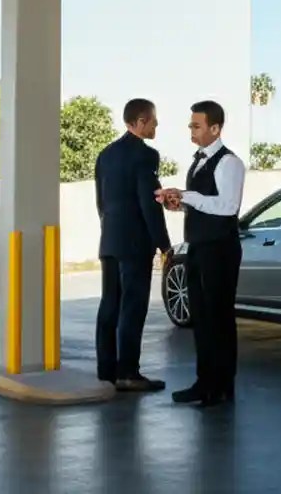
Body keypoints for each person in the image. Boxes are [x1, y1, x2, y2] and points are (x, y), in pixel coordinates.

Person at [156, 100, 246, 408]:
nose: (191, 130)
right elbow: (203, 204)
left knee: (219, 316)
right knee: (201, 317)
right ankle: (204, 382)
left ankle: (221, 386)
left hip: (220, 249)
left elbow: (228, 206)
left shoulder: (230, 163)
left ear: (215, 128)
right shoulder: (197, 161)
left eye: (197, 125)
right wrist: (177, 203)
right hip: (198, 247)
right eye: (191, 125)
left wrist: (188, 196)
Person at [94, 98, 171, 392]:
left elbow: (100, 201)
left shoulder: (106, 155)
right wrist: (164, 245)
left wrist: (110, 226)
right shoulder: (145, 155)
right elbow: (149, 203)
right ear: (140, 122)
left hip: (110, 239)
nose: (155, 125)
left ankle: (106, 372)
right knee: (133, 306)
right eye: (153, 121)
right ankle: (128, 372)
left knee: (109, 304)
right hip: (135, 243)